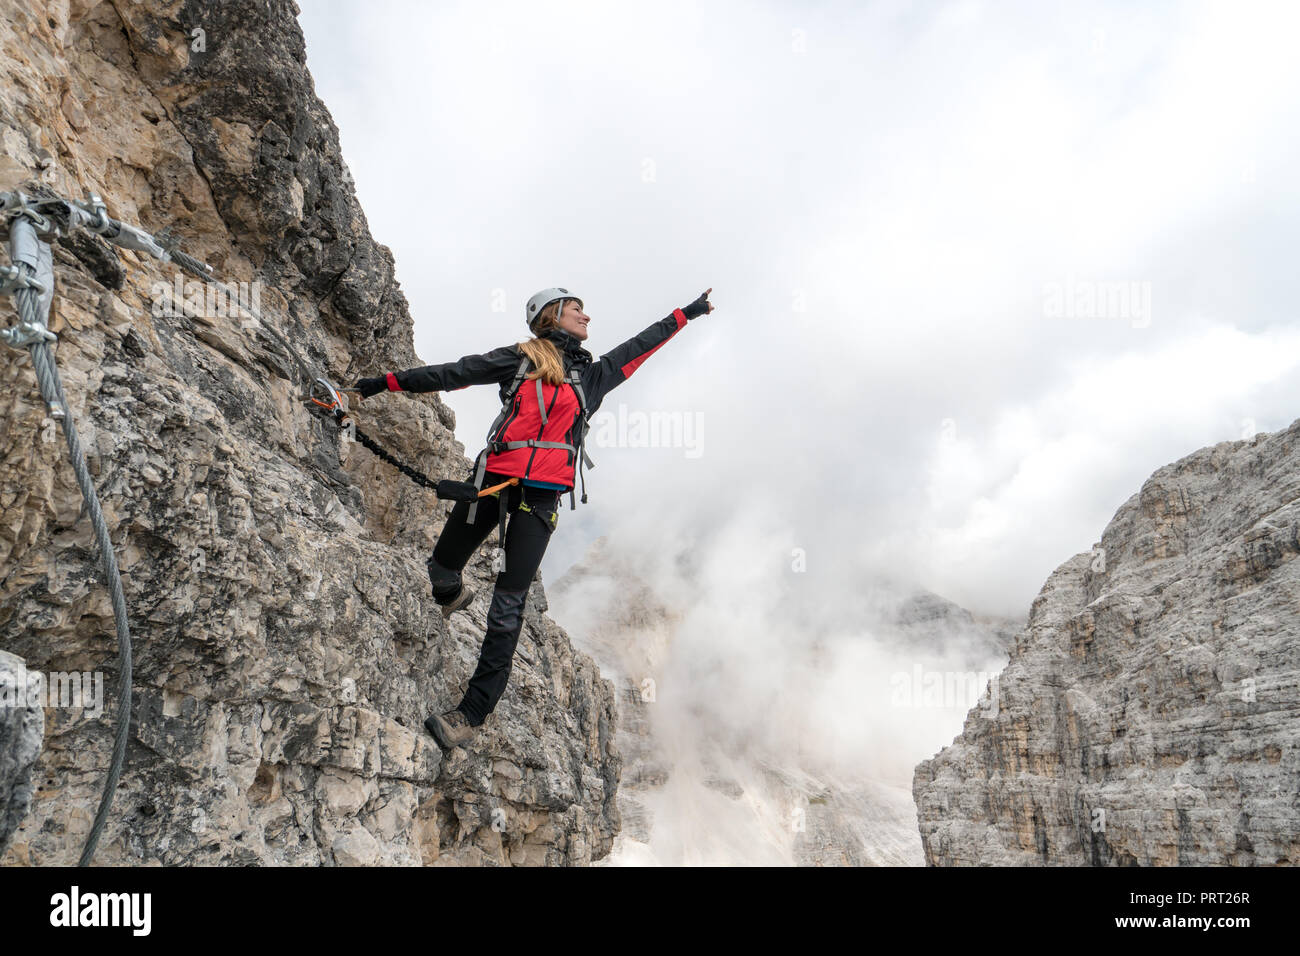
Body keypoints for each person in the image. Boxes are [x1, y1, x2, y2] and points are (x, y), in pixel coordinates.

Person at [353, 287, 714, 749]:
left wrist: (688, 313)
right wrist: (385, 382)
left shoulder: (593, 375)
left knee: (507, 607)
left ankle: (470, 713)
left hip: (538, 504)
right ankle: (451, 593)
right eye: (577, 308)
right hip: (490, 483)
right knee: (440, 570)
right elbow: (454, 373)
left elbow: (642, 346)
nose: (587, 314)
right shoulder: (519, 359)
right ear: (553, 315)